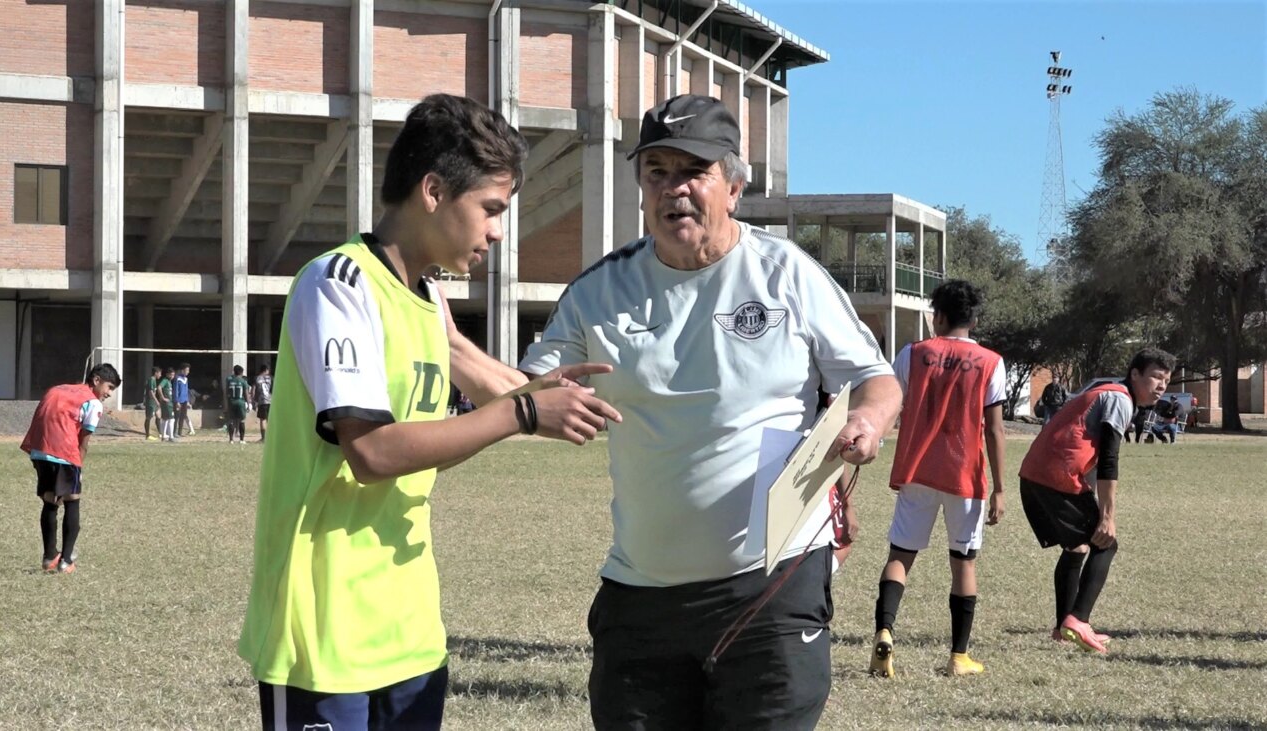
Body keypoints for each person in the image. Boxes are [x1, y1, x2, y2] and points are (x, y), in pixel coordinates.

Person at [460, 94, 899, 729]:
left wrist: (867, 420)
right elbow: (520, 394)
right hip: (641, 598)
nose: (675, 189)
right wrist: (447, 345)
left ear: (735, 187)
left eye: (694, 170)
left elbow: (876, 380)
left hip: (773, 586)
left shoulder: (787, 277)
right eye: (657, 171)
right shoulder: (599, 292)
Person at [237, 93, 620, 731]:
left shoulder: (427, 298)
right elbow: (371, 453)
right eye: (491, 210)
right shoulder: (337, 285)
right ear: (434, 191)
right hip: (324, 634)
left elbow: (471, 367)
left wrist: (545, 392)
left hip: (410, 629)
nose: (498, 231)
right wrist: (524, 414)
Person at [869, 280, 1007, 679]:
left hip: (917, 470)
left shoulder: (912, 354)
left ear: (938, 317)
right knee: (963, 562)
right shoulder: (991, 362)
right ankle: (959, 656)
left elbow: (889, 405)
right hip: (964, 475)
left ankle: (885, 632)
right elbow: (994, 430)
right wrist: (999, 487)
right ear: (974, 319)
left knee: (900, 556)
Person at [1019, 347, 1174, 654]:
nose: (1161, 385)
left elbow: (1088, 449)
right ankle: (1078, 620)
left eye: (1166, 380)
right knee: (1106, 542)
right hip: (1055, 478)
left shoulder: (1109, 395)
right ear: (1134, 374)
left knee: (1077, 546)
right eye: (1155, 377)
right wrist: (1107, 515)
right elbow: (1108, 461)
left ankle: (1063, 627)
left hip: (1034, 476)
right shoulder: (1119, 399)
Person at [20, 363, 121, 573]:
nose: (109, 394)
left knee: (50, 501)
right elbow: (84, 442)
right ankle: (66, 561)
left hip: (40, 451)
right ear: (96, 380)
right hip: (64, 453)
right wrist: (79, 466)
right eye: (109, 387)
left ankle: (49, 558)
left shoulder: (57, 389)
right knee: (72, 501)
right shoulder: (93, 403)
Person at [225, 365, 252, 444]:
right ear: (241, 372)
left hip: (231, 402)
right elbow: (246, 394)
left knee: (231, 421)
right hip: (240, 402)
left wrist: (226, 404)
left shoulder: (229, 380)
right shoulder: (243, 381)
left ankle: (231, 439)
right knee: (242, 421)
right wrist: (249, 403)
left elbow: (226, 393)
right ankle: (242, 439)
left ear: (234, 371)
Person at [253, 364, 273, 442]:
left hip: (262, 401)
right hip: (270, 400)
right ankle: (271, 437)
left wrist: (254, 400)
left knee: (263, 419)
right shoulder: (271, 378)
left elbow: (254, 390)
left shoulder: (257, 378)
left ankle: (263, 438)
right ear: (266, 370)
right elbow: (273, 389)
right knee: (270, 420)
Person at [157, 366, 176, 442]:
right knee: (171, 419)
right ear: (167, 374)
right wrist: (163, 397)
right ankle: (171, 437)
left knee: (165, 419)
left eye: (173, 375)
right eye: (171, 375)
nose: (172, 376)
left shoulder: (169, 382)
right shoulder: (165, 380)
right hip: (167, 403)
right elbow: (159, 387)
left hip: (169, 403)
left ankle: (163, 436)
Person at [174, 362, 193, 437]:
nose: (188, 372)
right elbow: (176, 390)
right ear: (182, 370)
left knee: (183, 416)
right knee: (176, 416)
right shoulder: (177, 378)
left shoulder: (186, 379)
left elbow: (186, 390)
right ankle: (174, 432)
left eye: (188, 370)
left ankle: (180, 432)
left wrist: (188, 400)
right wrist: (177, 401)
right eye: (186, 370)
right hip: (179, 401)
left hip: (185, 400)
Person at [143, 365, 162, 441]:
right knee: (149, 417)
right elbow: (151, 392)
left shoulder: (154, 380)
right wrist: (157, 401)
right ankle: (147, 435)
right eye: (159, 373)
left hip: (153, 401)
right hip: (150, 401)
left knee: (158, 416)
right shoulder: (151, 380)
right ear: (156, 373)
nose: (160, 375)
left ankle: (160, 433)